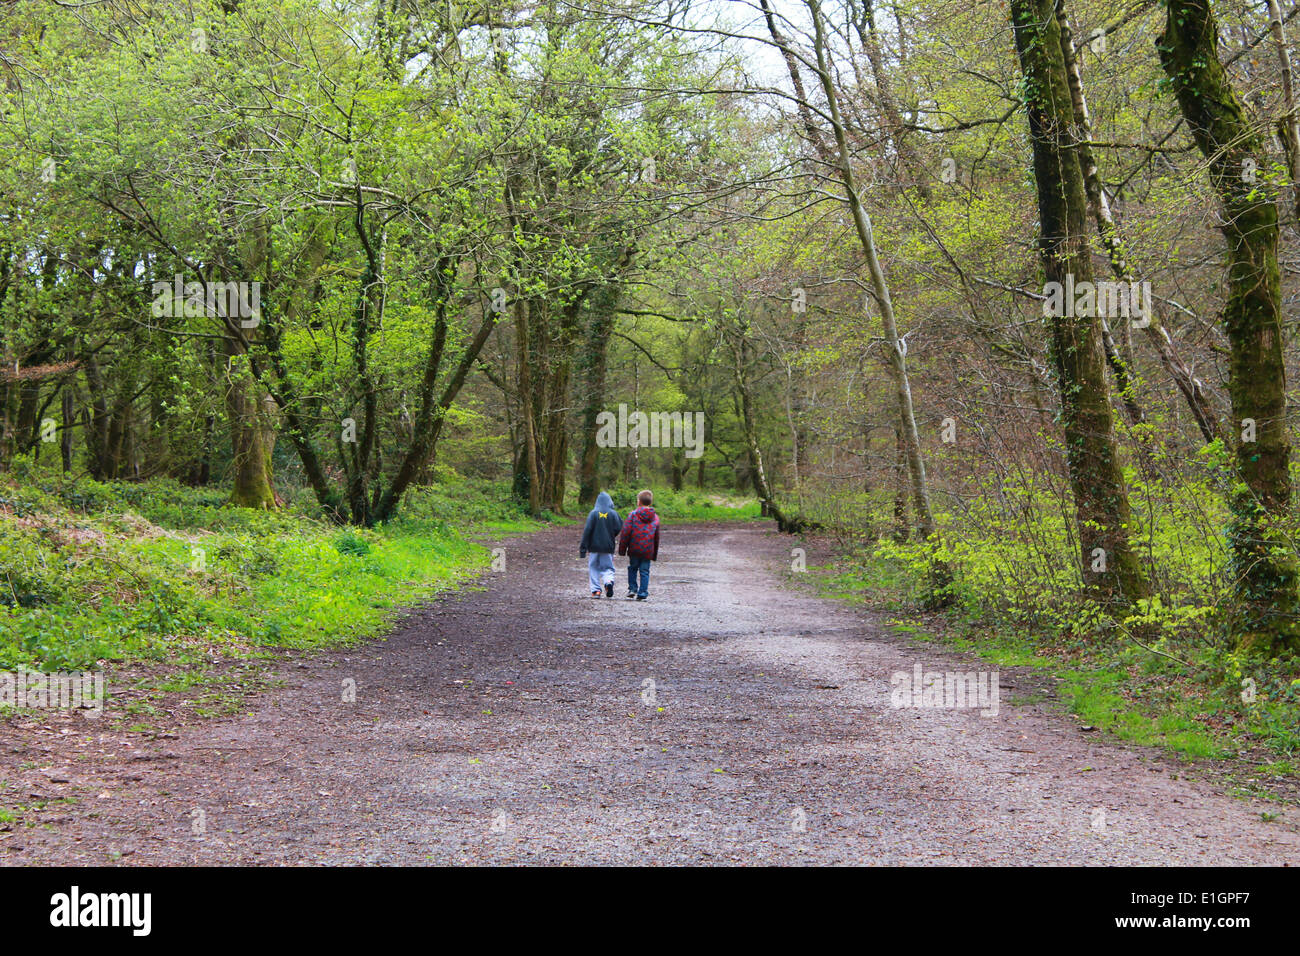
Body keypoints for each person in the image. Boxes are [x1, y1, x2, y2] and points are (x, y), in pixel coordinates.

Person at [617, 489, 660, 601]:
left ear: (638, 501)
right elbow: (656, 537)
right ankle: (643, 592)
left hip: (634, 548)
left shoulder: (633, 515)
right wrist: (654, 554)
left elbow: (625, 532)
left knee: (632, 568)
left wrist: (622, 549)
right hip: (648, 549)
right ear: (650, 502)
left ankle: (632, 589)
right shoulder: (655, 517)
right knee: (645, 571)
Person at [579, 491, 622, 598]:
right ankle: (608, 582)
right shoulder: (613, 513)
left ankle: (596, 590)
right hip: (608, 546)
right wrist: (612, 535)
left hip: (593, 547)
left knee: (593, 567)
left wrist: (583, 549)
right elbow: (619, 527)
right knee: (608, 567)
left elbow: (587, 531)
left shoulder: (593, 513)